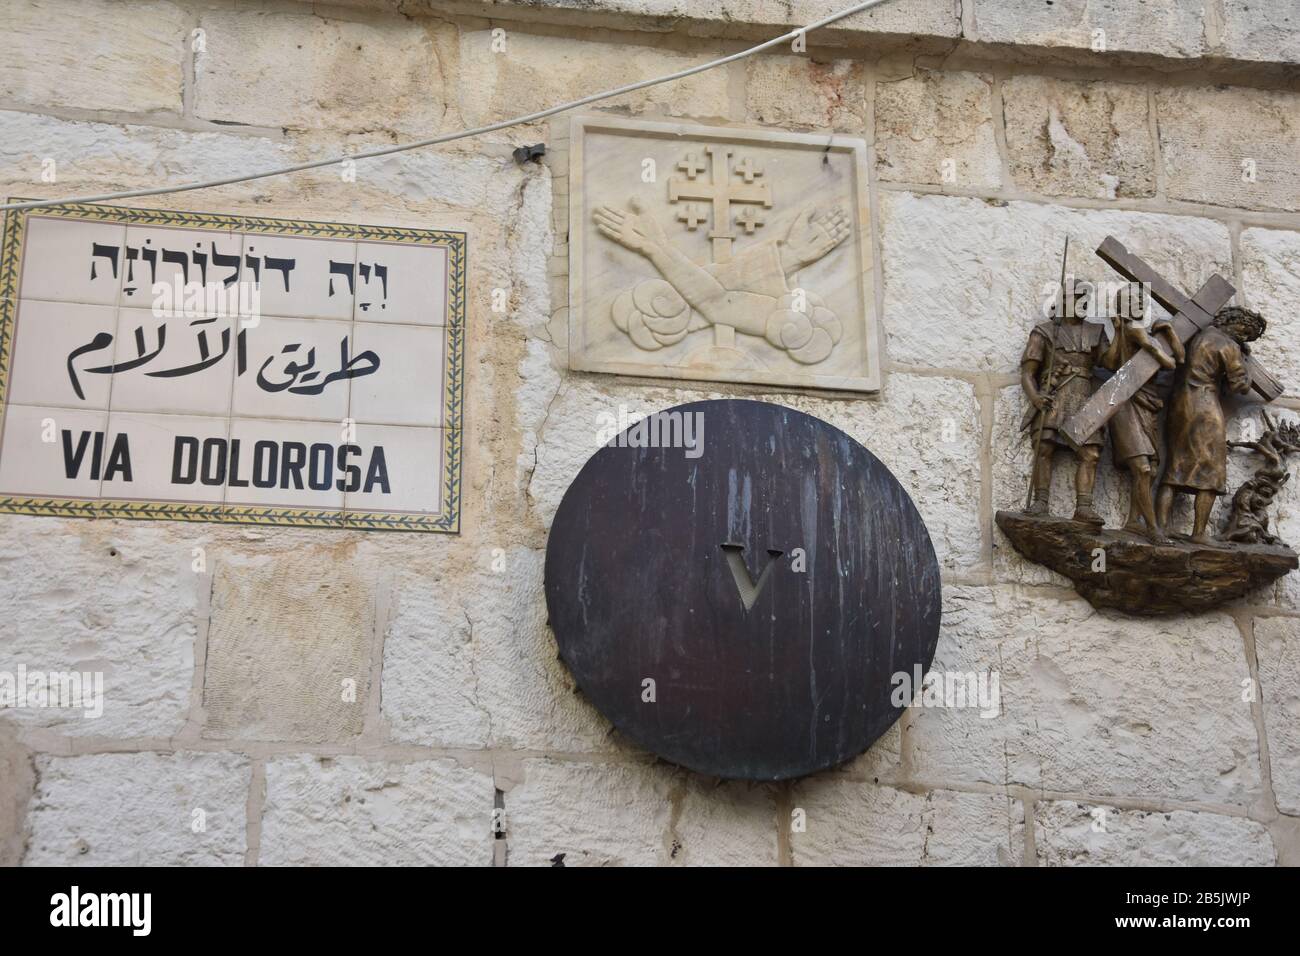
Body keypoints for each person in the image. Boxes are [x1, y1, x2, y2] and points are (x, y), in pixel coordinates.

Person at [1156, 305, 1266, 544]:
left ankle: (1161, 527)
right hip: (1204, 405)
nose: (1245, 337)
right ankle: (1198, 534)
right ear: (1235, 323)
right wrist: (1244, 361)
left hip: (1179, 404)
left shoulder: (1197, 335)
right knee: (1213, 469)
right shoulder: (1227, 344)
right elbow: (1240, 386)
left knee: (1175, 466)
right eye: (1246, 331)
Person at [1099, 283, 1183, 542]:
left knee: (1152, 468)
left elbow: (1179, 358)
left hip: (1146, 402)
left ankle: (1133, 521)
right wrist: (1120, 333)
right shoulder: (1135, 330)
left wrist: (1169, 330)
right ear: (1123, 306)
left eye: (1140, 301)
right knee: (1143, 468)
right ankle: (1153, 528)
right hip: (1126, 401)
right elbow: (1168, 362)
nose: (1139, 305)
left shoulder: (1133, 330)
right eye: (1133, 302)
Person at [1021, 279, 1107, 524]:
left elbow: (1110, 362)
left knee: (1090, 452)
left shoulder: (1095, 332)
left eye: (1084, 298)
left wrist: (1122, 330)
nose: (1081, 302)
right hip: (1055, 394)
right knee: (1045, 447)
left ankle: (1084, 506)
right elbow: (1028, 372)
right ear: (1062, 301)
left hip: (1083, 396)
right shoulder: (1045, 331)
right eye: (1075, 297)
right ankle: (1041, 501)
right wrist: (1036, 397)